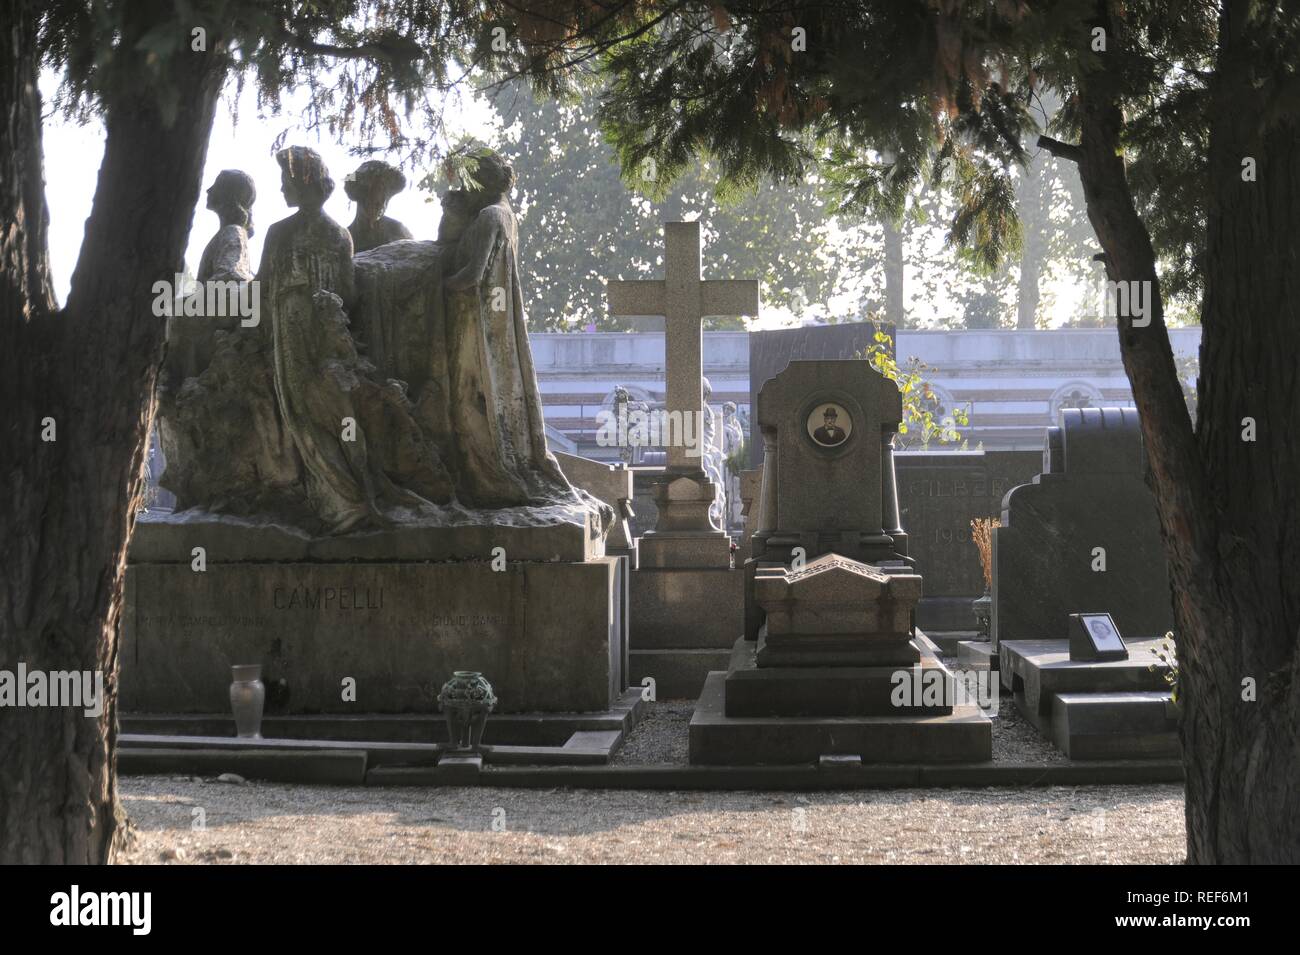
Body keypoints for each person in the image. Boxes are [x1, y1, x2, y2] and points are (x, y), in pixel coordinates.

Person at [344, 160, 414, 253]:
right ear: (359, 194)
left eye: (386, 191)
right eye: (371, 191)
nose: (381, 202)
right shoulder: (346, 238)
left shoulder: (396, 231)